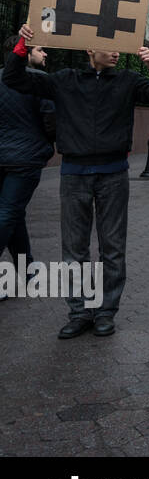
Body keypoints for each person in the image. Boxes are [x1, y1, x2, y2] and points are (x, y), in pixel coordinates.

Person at [3, 24, 149, 338]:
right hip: (74, 176)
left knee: (112, 248)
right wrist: (22, 48)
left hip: (113, 175)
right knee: (74, 250)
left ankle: (106, 313)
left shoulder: (127, 80)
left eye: (117, 48)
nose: (114, 52)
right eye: (107, 47)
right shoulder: (65, 80)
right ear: (88, 50)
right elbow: (13, 78)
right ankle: (79, 313)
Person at [0, 35, 55, 296]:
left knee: (14, 213)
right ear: (23, 53)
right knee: (8, 213)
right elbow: (51, 122)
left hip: (6, 157)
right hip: (25, 159)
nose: (45, 55)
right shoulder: (38, 82)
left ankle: (27, 270)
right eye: (41, 50)